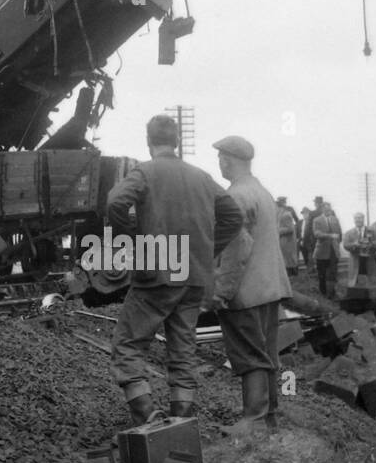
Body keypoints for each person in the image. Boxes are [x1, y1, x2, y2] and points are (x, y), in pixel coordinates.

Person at [106, 114, 243, 424]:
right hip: (194, 277)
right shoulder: (202, 177)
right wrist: (207, 252)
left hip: (157, 272)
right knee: (182, 351)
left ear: (148, 140)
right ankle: (181, 419)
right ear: (177, 141)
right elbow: (233, 217)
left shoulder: (145, 172)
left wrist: (134, 242)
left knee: (128, 344)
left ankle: (146, 415)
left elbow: (115, 202)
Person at [212, 137, 294, 437]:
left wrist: (221, 290)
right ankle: (268, 416)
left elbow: (237, 249)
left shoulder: (235, 196)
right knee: (267, 352)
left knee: (249, 354)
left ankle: (253, 420)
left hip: (245, 292)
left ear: (227, 160)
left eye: (220, 157)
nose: (219, 162)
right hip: (269, 287)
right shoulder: (262, 191)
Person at [343, 211, 376, 287]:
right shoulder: (349, 233)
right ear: (354, 220)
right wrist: (354, 244)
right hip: (355, 260)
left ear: (363, 219)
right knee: (354, 282)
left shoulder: (372, 231)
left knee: (371, 282)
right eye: (356, 218)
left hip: (369, 259)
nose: (358, 220)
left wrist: (372, 244)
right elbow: (345, 245)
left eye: (360, 218)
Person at [313, 202, 341, 298]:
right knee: (322, 274)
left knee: (333, 272)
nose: (328, 211)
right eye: (326, 210)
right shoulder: (317, 220)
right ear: (322, 210)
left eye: (329, 209)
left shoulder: (335, 219)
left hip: (333, 251)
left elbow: (339, 233)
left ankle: (332, 293)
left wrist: (337, 244)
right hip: (321, 251)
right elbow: (317, 234)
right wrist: (329, 235)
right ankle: (323, 293)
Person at [275, 196, 300, 279]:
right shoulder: (280, 214)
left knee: (289, 259)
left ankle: (293, 276)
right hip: (284, 241)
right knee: (287, 258)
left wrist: (277, 231)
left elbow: (290, 229)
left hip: (287, 241)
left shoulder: (286, 215)